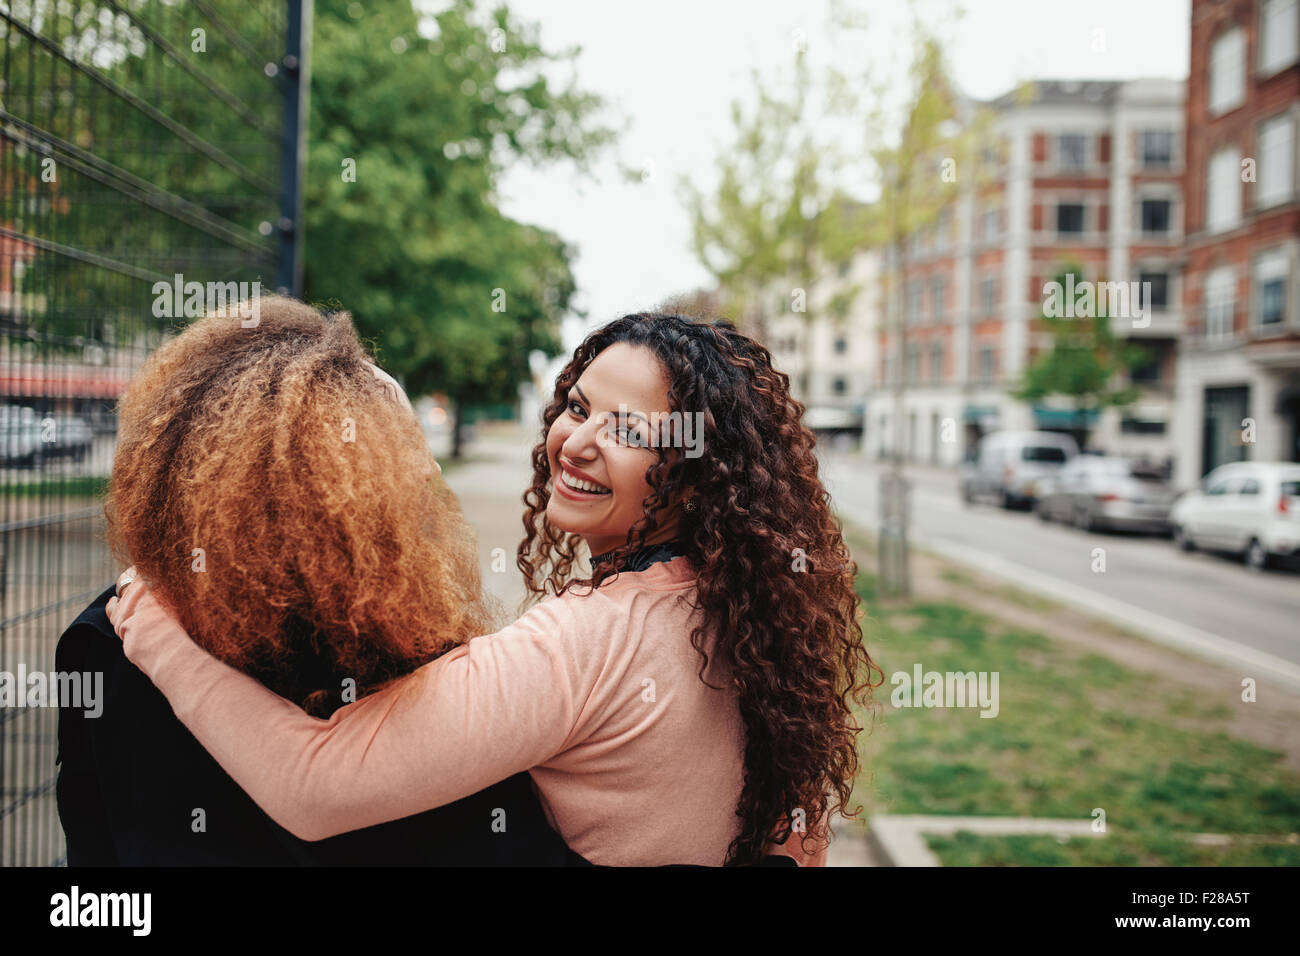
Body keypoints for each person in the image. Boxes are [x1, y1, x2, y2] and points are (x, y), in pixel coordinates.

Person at [109, 311, 884, 866]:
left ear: (700, 474)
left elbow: (315, 786)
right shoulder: (754, 617)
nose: (576, 443)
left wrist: (155, 640)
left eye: (627, 431)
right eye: (578, 408)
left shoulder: (585, 644)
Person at [57, 295, 586, 866]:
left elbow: (93, 846)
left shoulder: (107, 636)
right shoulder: (400, 650)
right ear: (341, 486)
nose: (430, 470)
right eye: (407, 446)